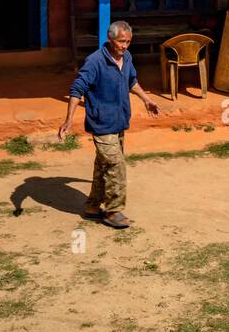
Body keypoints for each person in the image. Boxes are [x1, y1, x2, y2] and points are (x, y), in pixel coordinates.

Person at [58, 20, 159, 228]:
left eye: (128, 42)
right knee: (116, 164)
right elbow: (77, 89)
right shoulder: (94, 62)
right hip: (101, 123)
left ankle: (93, 206)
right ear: (110, 39)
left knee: (103, 165)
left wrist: (146, 99)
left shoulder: (127, 57)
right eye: (121, 42)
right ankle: (114, 211)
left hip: (120, 120)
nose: (125, 46)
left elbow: (132, 80)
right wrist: (69, 120)